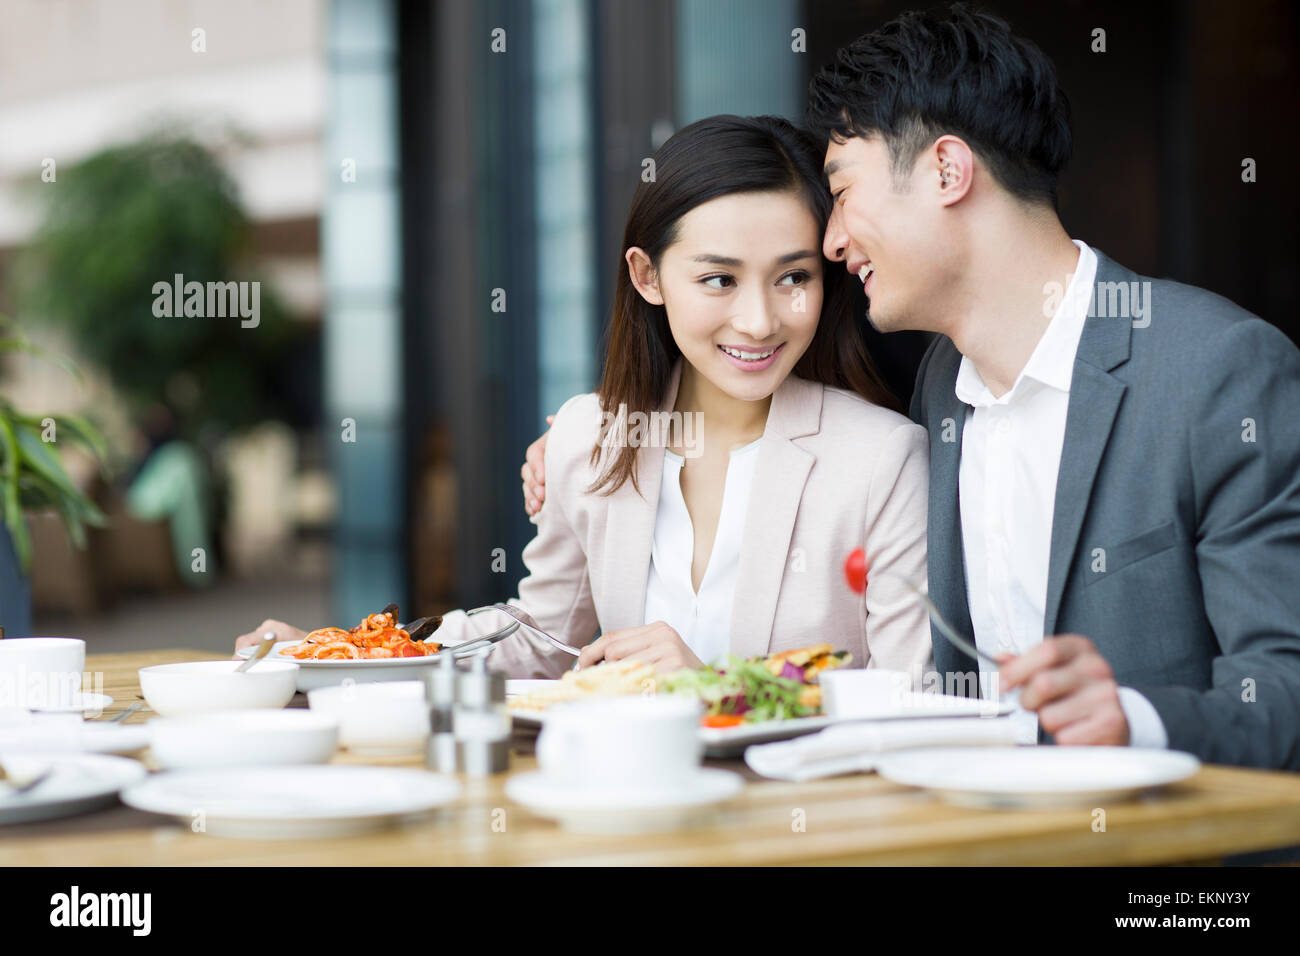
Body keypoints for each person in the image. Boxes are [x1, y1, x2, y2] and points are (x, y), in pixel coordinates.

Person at [524, 6, 1300, 769]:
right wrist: (574, 442)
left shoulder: (1216, 371)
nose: (831, 242)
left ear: (947, 170)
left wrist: (1129, 716)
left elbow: (1287, 690)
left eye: (842, 190)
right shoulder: (940, 389)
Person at [240, 115, 932, 684]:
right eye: (718, 280)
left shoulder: (880, 458)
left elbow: (914, 691)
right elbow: (538, 639)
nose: (758, 320)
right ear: (648, 275)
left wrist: (716, 686)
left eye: (793, 278)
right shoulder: (588, 437)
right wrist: (341, 654)